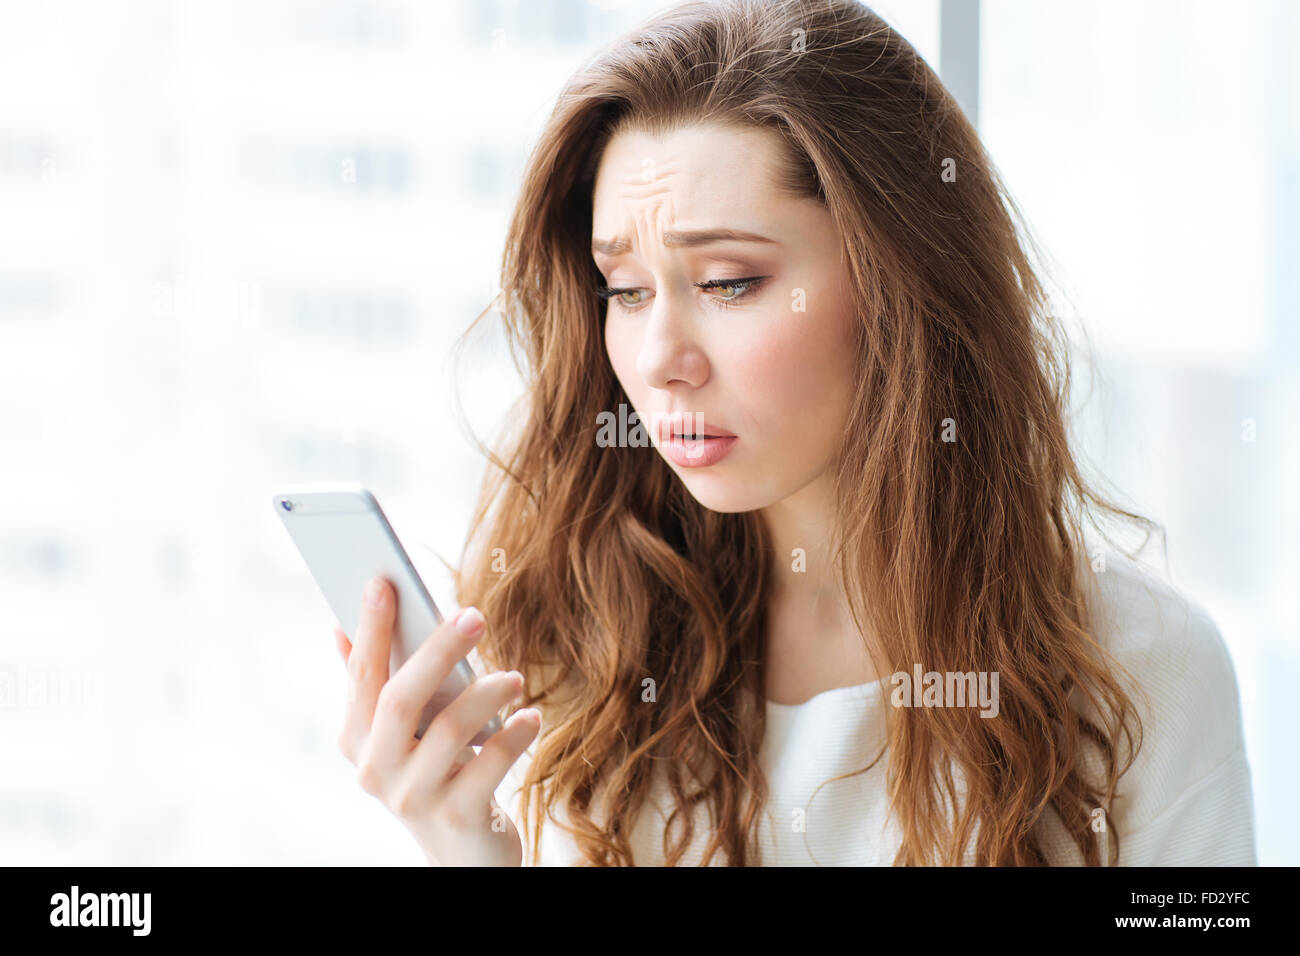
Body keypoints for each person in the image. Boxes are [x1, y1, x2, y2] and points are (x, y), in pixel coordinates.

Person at [332, 0, 1256, 866]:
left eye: (729, 282)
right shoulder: (580, 633)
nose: (660, 359)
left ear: (901, 283)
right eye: (625, 290)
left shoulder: (1140, 669)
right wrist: (470, 846)